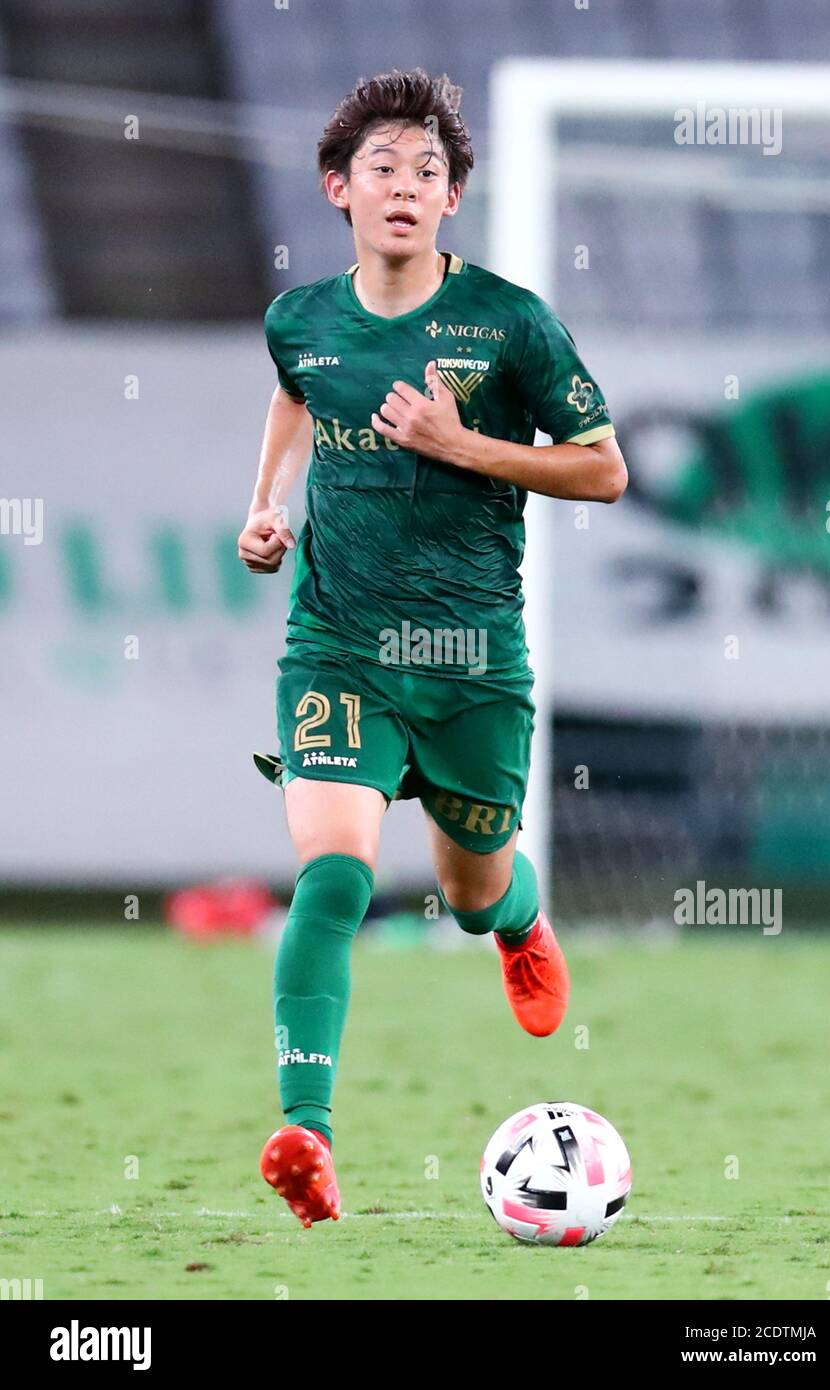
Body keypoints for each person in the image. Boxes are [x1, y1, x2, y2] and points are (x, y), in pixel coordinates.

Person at [238, 68, 627, 1229]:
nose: (403, 187)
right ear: (337, 188)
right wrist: (264, 507)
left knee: (467, 892)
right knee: (335, 871)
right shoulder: (298, 318)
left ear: (452, 197)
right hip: (338, 647)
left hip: (469, 657)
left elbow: (602, 467)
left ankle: (517, 918)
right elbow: (295, 395)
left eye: (427, 171)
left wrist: (464, 446)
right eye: (381, 169)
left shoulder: (508, 323)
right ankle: (305, 1132)